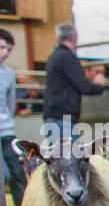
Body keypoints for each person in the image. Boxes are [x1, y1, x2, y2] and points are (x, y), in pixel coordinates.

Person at [42, 22, 104, 152]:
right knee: (70, 160)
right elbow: (83, 86)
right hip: (63, 119)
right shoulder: (67, 58)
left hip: (54, 117)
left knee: (60, 159)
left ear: (57, 38)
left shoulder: (53, 57)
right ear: (76, 39)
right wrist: (98, 85)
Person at [0, 28, 27, 206]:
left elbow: (11, 102)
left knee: (18, 174)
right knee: (0, 175)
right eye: (1, 47)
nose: (4, 53)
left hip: (6, 131)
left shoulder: (8, 74)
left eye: (9, 49)